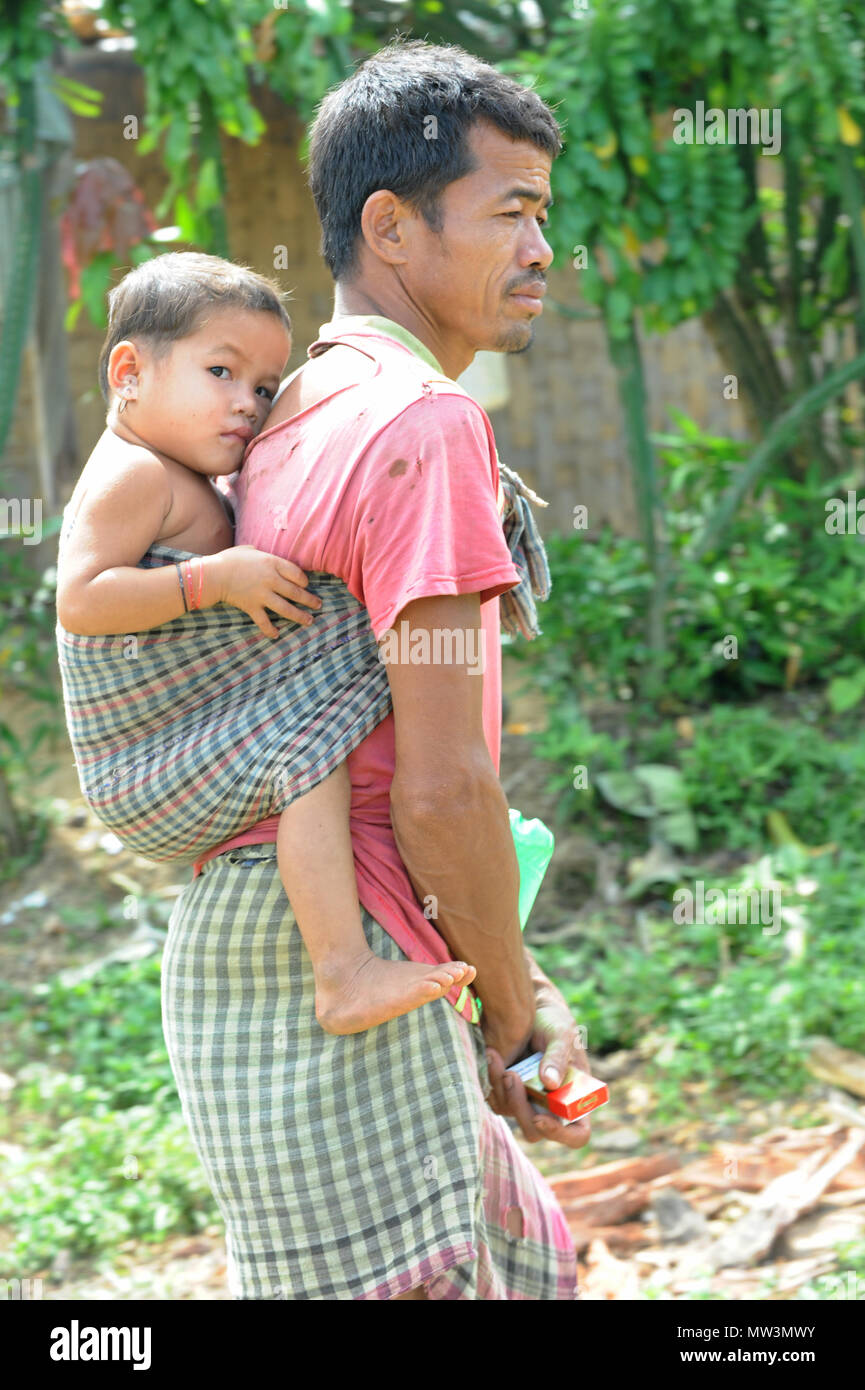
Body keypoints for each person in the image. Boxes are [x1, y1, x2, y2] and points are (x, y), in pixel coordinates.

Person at [161, 37, 592, 1301]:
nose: (540, 249)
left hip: (253, 953)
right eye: (510, 211)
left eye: (543, 214)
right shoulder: (428, 426)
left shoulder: (286, 410)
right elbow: (442, 788)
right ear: (391, 226)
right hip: (358, 961)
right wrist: (512, 1020)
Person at [56, 251, 476, 1034]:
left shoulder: (183, 472)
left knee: (303, 750)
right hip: (143, 758)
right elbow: (81, 601)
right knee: (303, 754)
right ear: (128, 371)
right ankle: (342, 972)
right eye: (220, 371)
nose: (246, 404)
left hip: (184, 752)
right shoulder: (134, 474)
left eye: (261, 387)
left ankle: (348, 968)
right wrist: (209, 582)